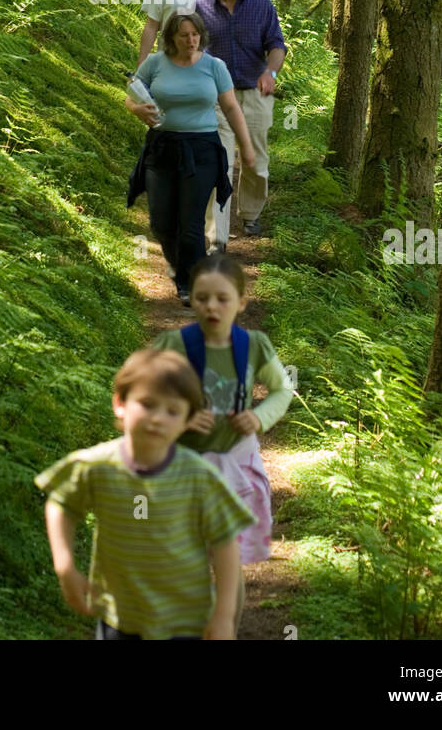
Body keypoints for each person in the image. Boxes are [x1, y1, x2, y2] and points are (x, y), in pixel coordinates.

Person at [35, 348, 254, 640]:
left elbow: (225, 544)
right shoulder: (96, 466)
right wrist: (65, 568)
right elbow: (61, 503)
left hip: (185, 621)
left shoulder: (199, 478)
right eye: (147, 404)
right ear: (120, 403)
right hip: (118, 619)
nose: (158, 418)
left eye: (172, 411)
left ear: (189, 419)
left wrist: (224, 616)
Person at [151, 253, 295, 624]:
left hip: (235, 463)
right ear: (190, 299)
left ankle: (224, 629)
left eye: (222, 299)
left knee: (227, 558)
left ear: (242, 303)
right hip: (184, 465)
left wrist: (259, 417)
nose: (211, 307)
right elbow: (143, 394)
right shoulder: (173, 345)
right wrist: (178, 418)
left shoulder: (254, 345)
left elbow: (282, 389)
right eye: (201, 298)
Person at [126, 10, 255, 306]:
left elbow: (232, 108)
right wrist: (136, 110)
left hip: (202, 149)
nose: (190, 40)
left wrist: (246, 147)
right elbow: (131, 94)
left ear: (202, 36)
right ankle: (182, 270)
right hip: (162, 147)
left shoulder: (214, 66)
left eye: (195, 34)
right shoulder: (156, 63)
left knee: (192, 223)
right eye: (184, 35)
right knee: (161, 221)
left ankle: (189, 282)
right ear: (171, 37)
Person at [196, 0, 286, 246]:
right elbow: (196, 51)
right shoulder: (202, 7)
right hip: (219, 98)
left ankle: (250, 215)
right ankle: (216, 236)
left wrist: (269, 74)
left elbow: (276, 45)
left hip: (255, 94)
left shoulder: (262, 5)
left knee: (256, 162)